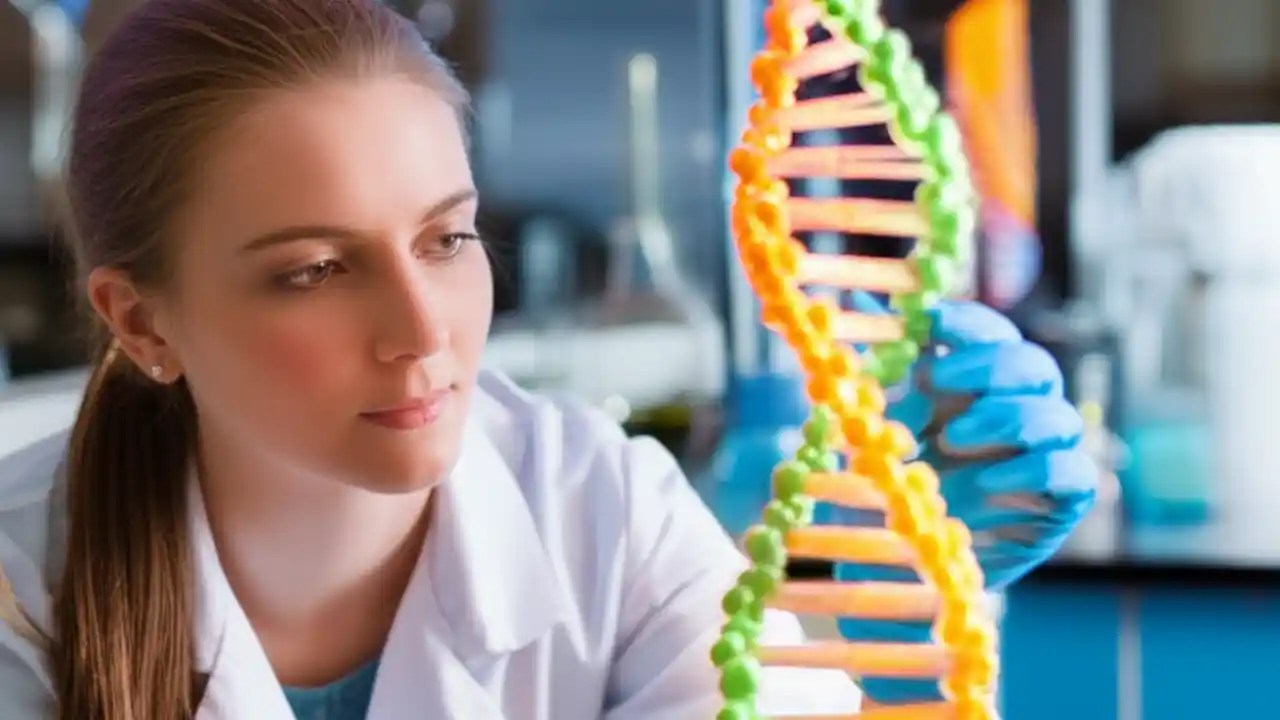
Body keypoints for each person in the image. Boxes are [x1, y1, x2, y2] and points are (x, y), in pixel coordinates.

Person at [0, 0, 1095, 718]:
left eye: (447, 238)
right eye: (318, 269)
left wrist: (847, 636)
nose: (424, 331)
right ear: (141, 323)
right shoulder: (23, 595)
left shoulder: (603, 511)